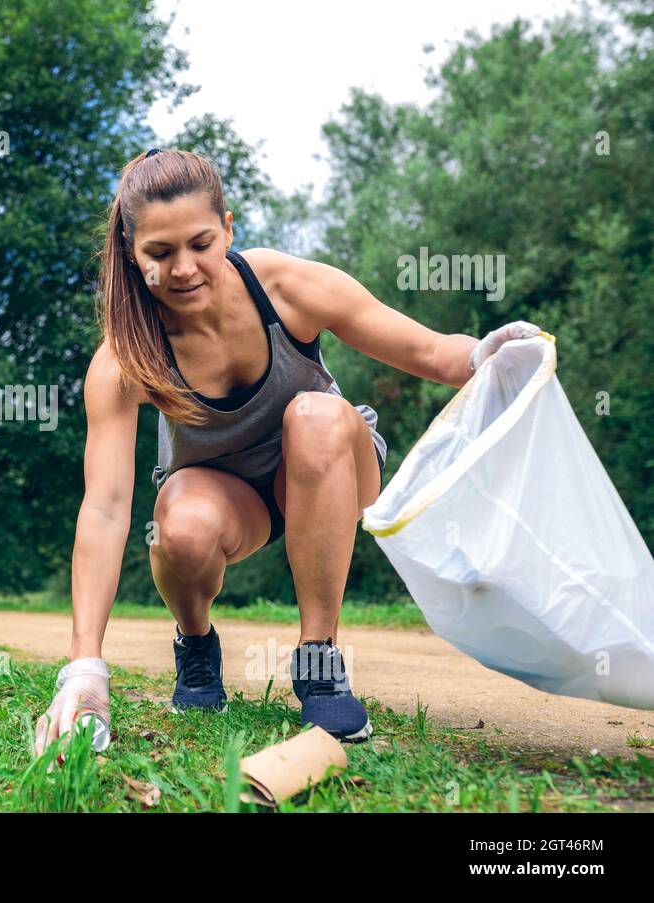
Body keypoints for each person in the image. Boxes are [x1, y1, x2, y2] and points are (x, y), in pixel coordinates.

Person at [34, 148, 541, 755]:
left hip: (332, 467)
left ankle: (319, 660)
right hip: (228, 497)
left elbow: (435, 355)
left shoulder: (286, 288)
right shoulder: (124, 358)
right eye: (160, 254)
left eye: (200, 243)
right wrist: (84, 665)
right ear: (132, 254)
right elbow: (107, 510)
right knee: (179, 525)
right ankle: (197, 647)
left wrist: (487, 354)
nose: (184, 268)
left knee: (318, 414)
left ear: (228, 227)